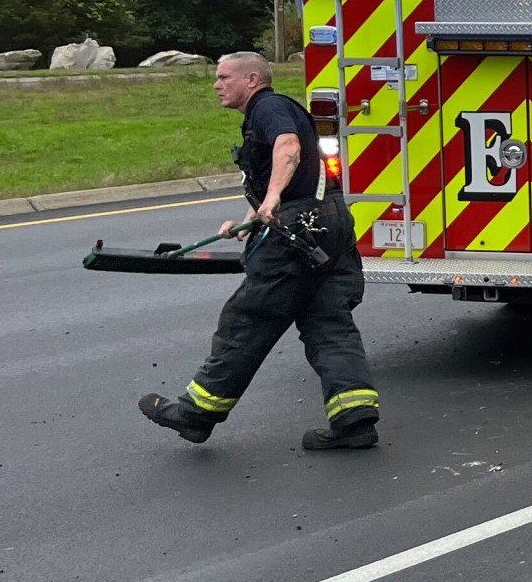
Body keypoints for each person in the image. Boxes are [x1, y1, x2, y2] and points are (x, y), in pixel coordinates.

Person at [139, 52, 381, 450]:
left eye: (224, 77)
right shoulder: (269, 113)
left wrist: (271, 200)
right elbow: (294, 177)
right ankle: (354, 420)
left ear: (252, 80)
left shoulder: (268, 107)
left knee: (249, 318)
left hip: (298, 231)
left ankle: (196, 413)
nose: (216, 84)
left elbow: (288, 148)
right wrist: (248, 218)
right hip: (329, 223)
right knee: (327, 321)